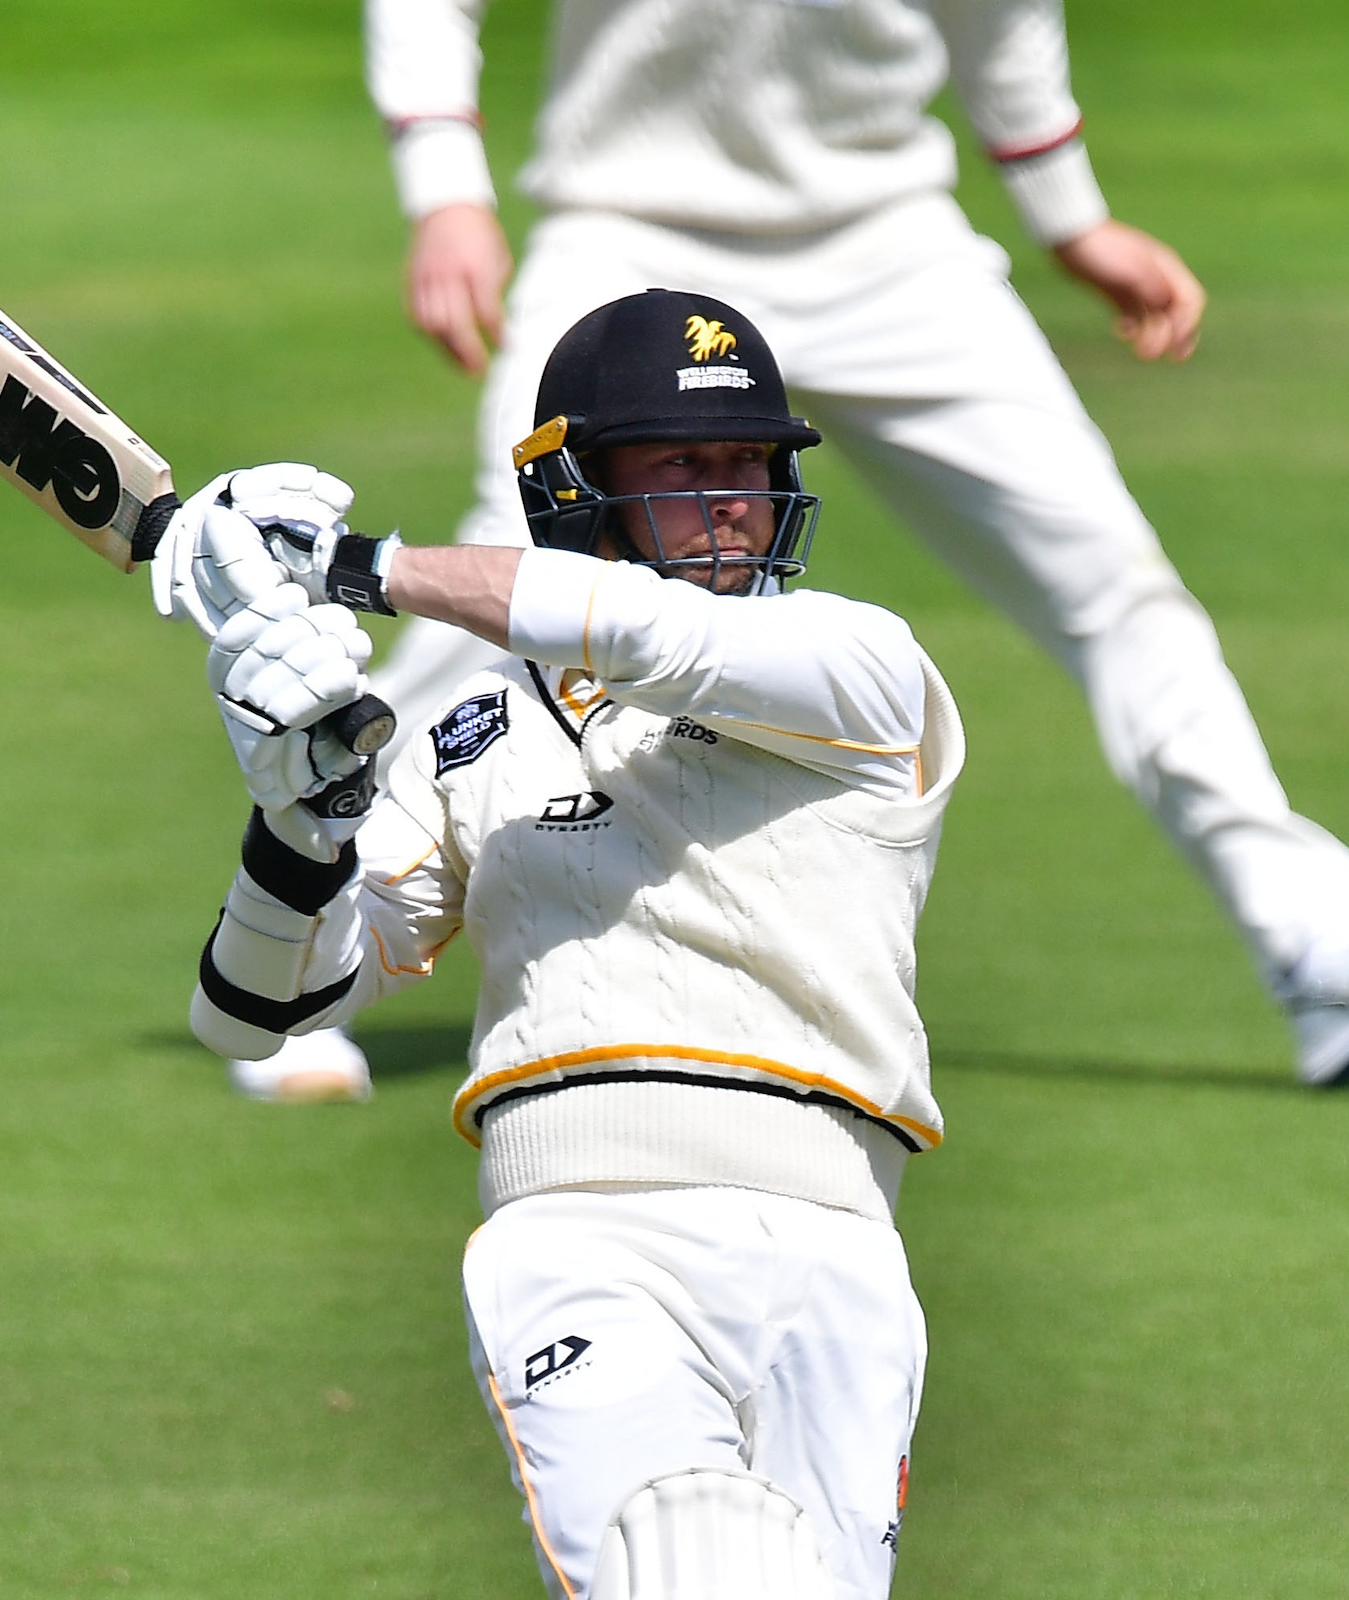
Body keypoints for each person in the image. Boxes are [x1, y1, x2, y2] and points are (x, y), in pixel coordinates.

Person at [222, 0, 1349, 1105]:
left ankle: (1326, 952)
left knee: (1116, 582)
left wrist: (1070, 216)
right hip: (625, 228)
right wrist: (445, 190)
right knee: (508, 583)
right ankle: (304, 977)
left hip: (888, 241)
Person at [156, 292, 957, 1599]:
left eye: (749, 465)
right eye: (681, 466)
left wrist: (352, 567)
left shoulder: (854, 667)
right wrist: (301, 823)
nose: (729, 503)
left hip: (841, 1242)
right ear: (576, 490)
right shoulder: (470, 736)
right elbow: (257, 1013)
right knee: (686, 1570)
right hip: (582, 1243)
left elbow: (646, 634)